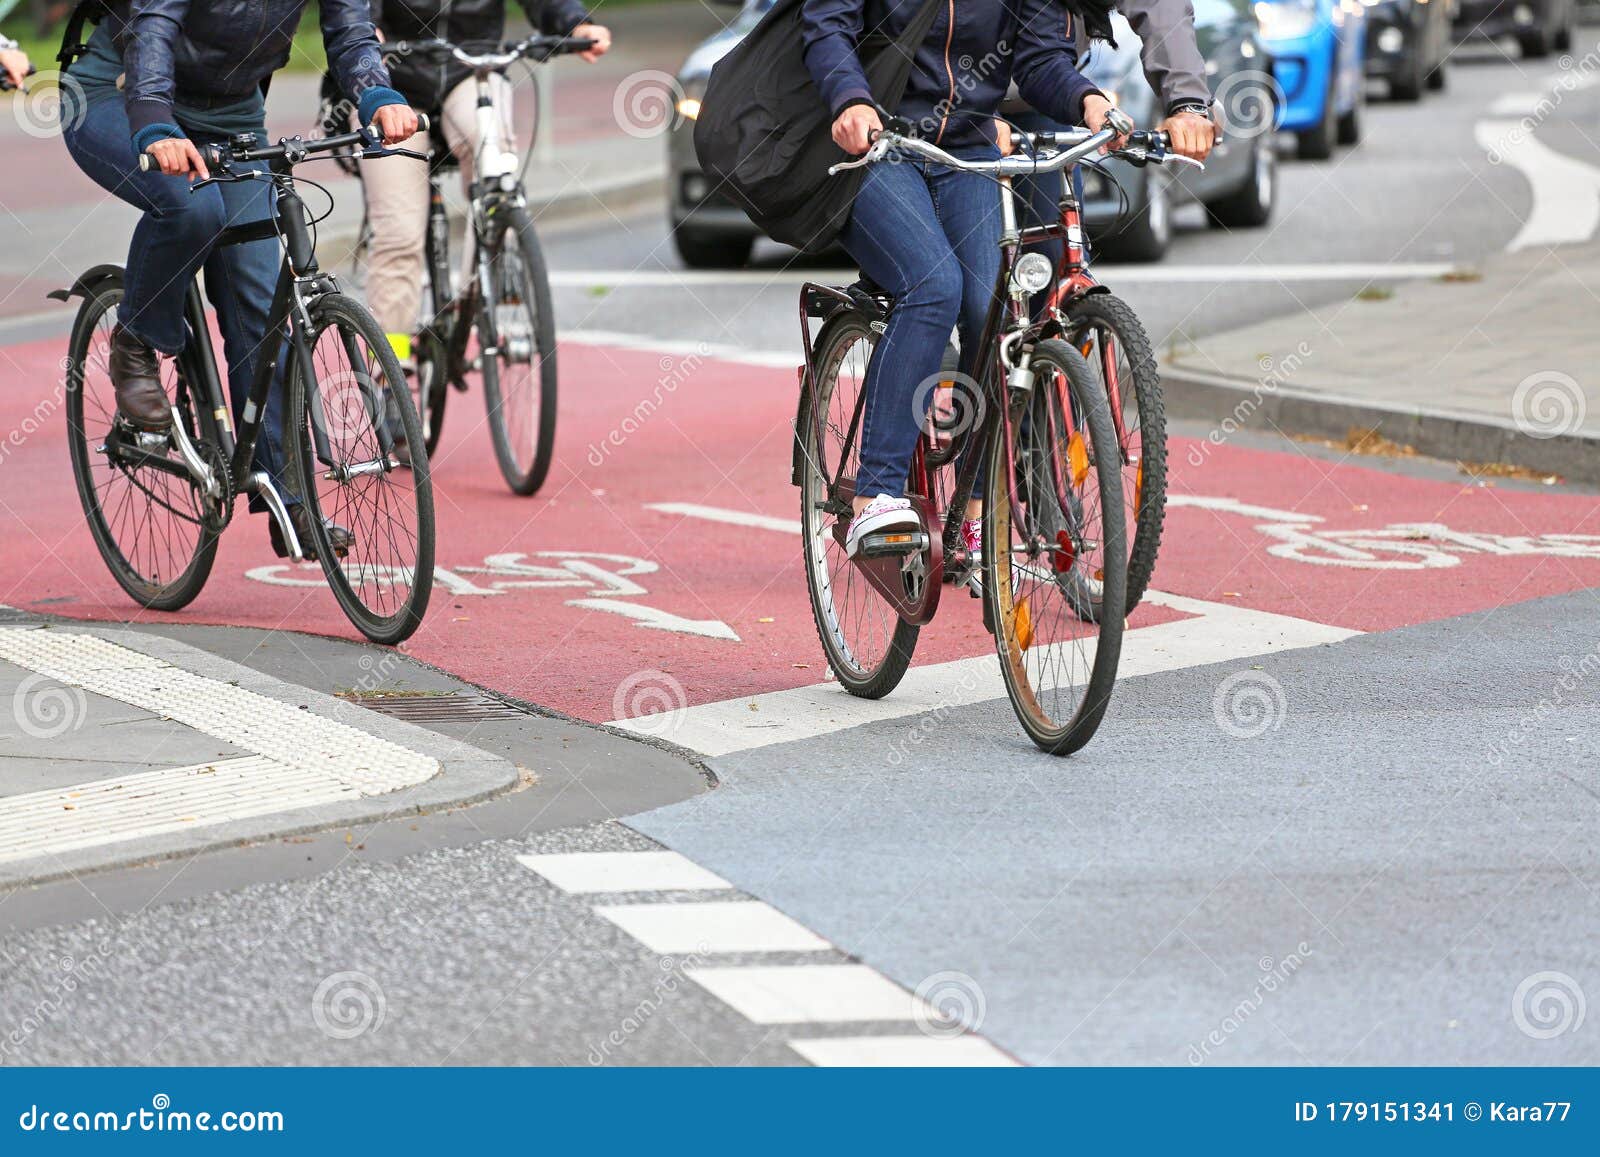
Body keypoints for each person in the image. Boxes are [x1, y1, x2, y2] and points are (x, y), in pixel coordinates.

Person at [59, 0, 417, 560]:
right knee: (190, 210)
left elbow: (350, 31)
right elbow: (153, 27)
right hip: (120, 93)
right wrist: (153, 119)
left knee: (258, 300)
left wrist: (378, 94)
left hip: (231, 113)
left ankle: (289, 499)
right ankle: (136, 343)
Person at [800, 0, 1123, 561]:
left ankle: (973, 514)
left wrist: (1087, 100)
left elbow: (1041, 57)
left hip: (967, 149)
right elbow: (828, 24)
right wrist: (850, 98)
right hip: (877, 146)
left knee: (992, 311)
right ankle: (876, 493)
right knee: (933, 287)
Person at [362, 0, 612, 368]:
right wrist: (369, 38)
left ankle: (483, 279)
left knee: (495, 162)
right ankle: (388, 369)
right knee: (398, 231)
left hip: (472, 72)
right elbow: (355, 14)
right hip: (394, 85)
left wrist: (576, 24)